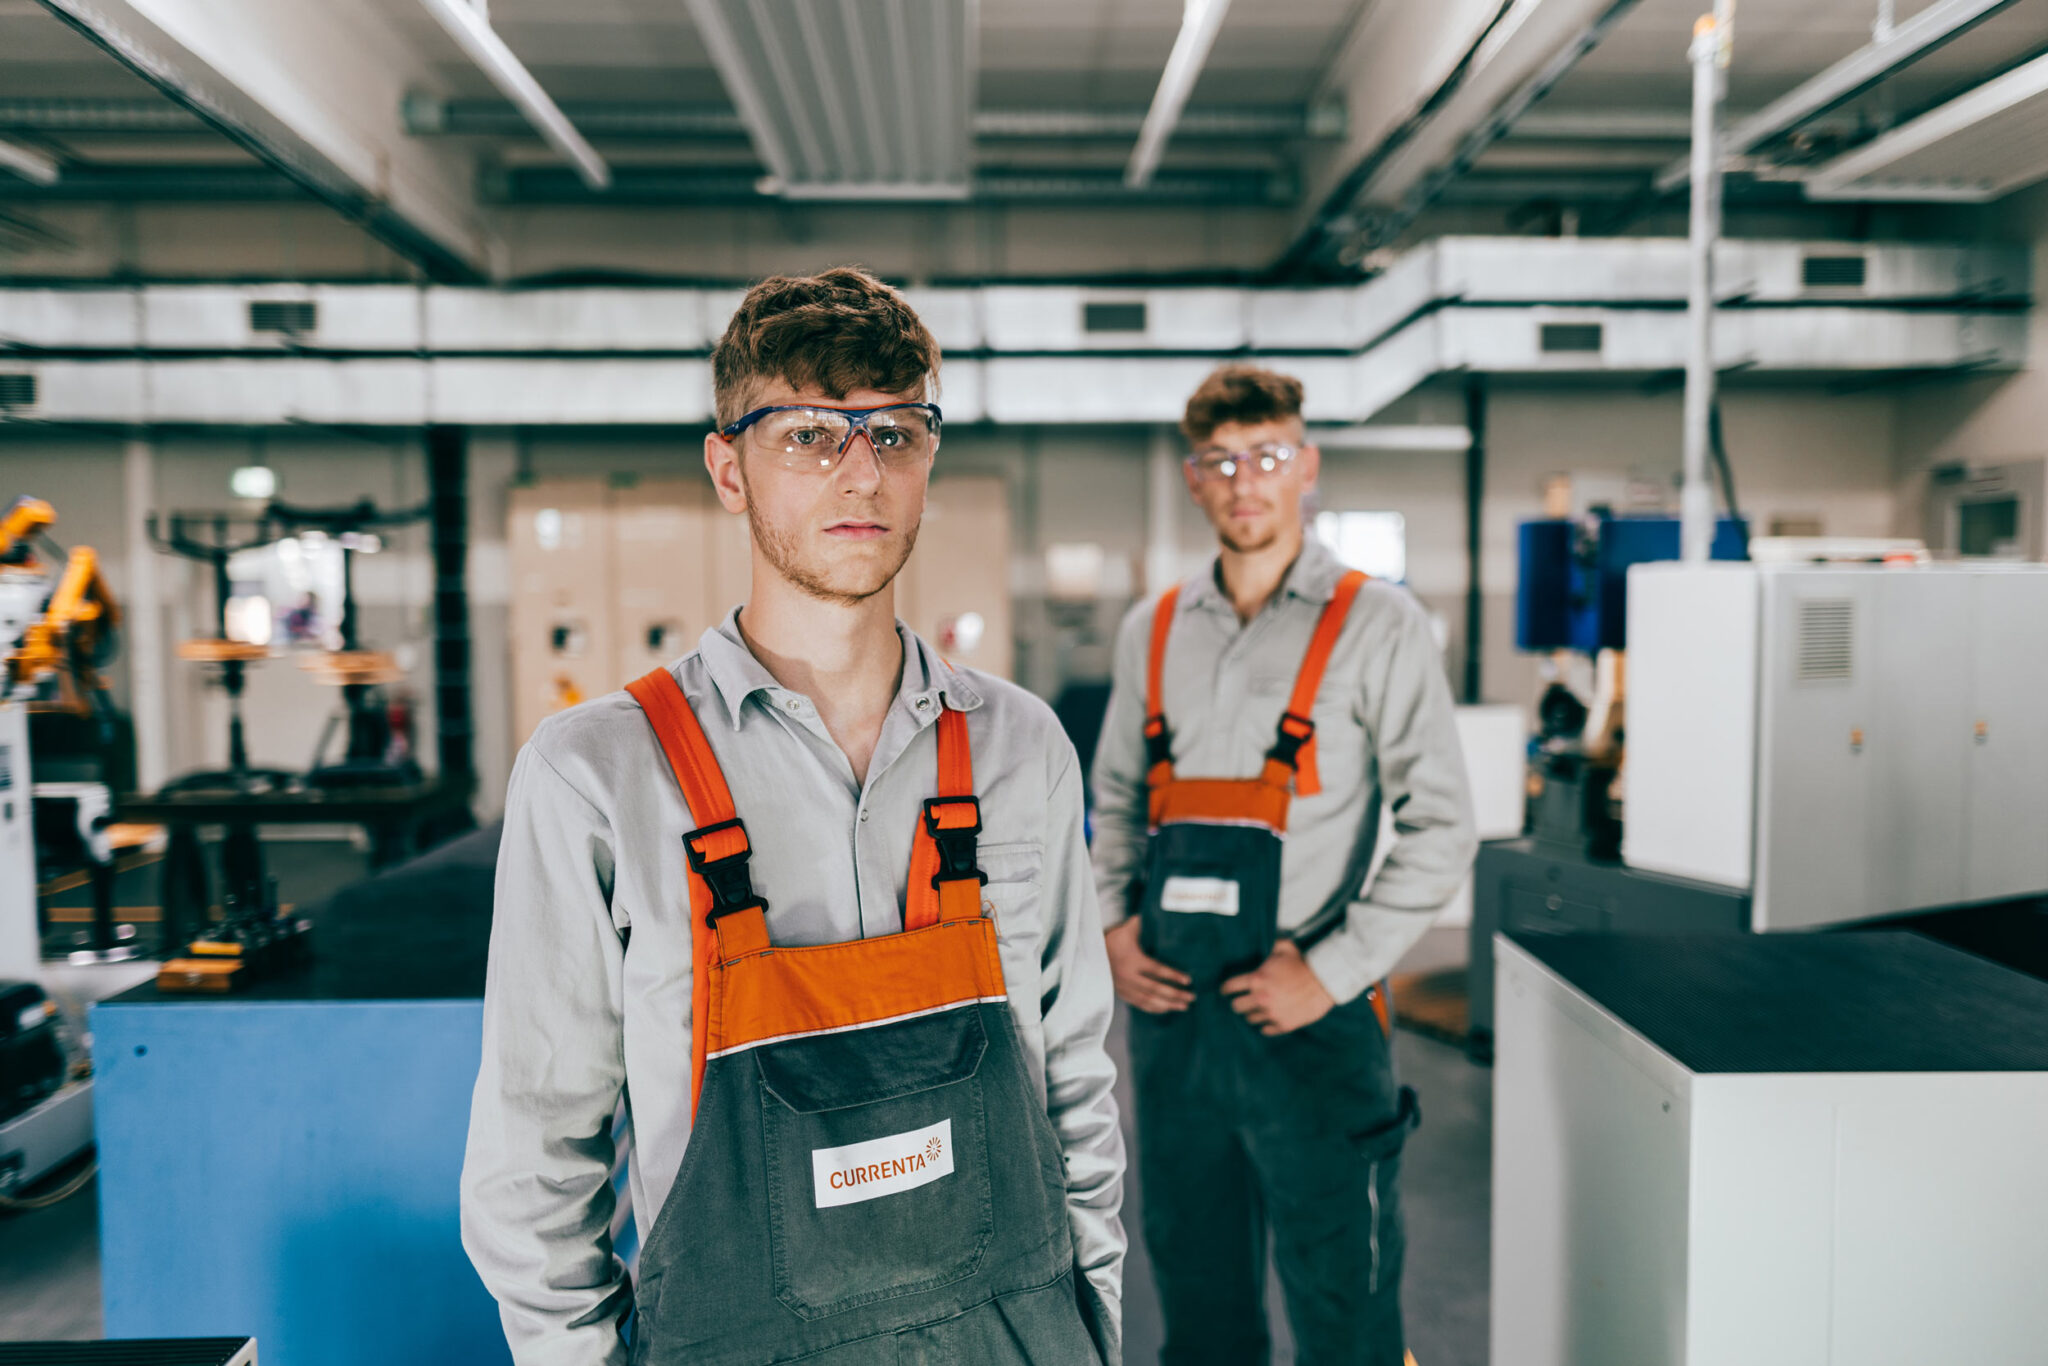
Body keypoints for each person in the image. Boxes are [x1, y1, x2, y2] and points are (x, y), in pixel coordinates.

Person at [462, 267, 1125, 1366]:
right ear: (728, 467)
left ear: (928, 459)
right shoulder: (598, 776)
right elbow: (533, 1154)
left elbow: (1076, 1081)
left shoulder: (1018, 749)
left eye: (895, 433)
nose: (858, 470)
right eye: (809, 435)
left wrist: (1092, 1329)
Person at [1090, 365, 1476, 1365]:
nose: (1242, 479)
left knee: (1343, 1306)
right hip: (1175, 1031)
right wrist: (1111, 929)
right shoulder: (1153, 629)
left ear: (1304, 466)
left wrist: (1331, 971)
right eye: (1219, 460)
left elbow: (1440, 827)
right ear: (1192, 479)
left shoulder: (1376, 624)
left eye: (1264, 455)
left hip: (1315, 1026)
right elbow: (1116, 802)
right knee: (1199, 1305)